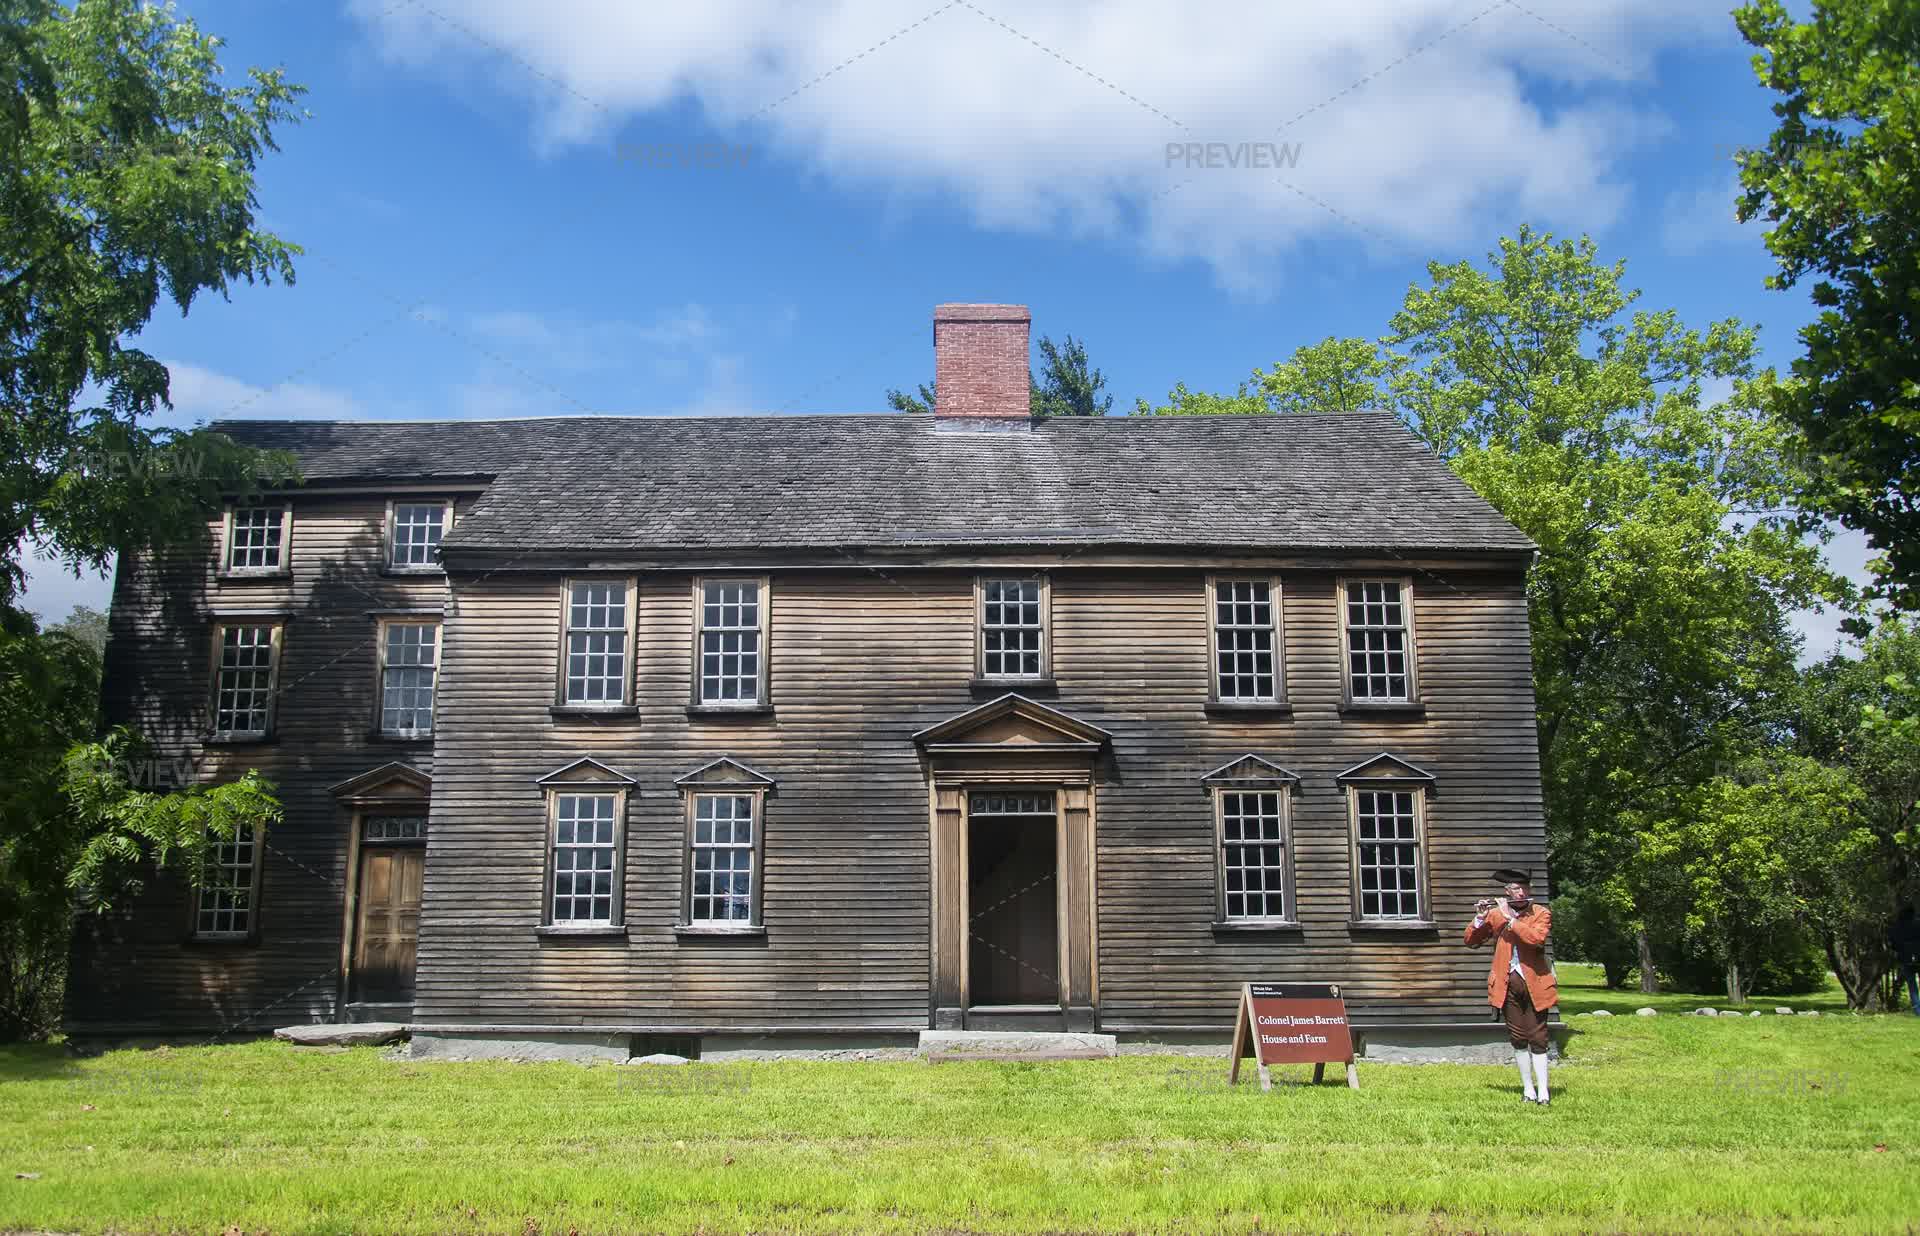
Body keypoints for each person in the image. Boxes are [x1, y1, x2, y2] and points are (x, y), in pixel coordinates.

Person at [1465, 867, 1558, 1106]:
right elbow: (1472, 942)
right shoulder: (1497, 914)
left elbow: (1535, 939)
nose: (1521, 893)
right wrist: (1480, 917)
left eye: (1524, 888)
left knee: (1538, 1036)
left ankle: (1544, 1091)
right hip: (1506, 984)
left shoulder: (1540, 913)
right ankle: (1528, 1089)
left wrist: (1510, 919)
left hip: (1535, 983)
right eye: (1516, 889)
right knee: (1517, 1037)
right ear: (1507, 891)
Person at [1892, 905, 1920, 1016]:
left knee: (1912, 986)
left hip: (1905, 958)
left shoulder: (1896, 927)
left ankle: (1918, 1011)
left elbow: (1893, 944)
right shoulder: (1918, 924)